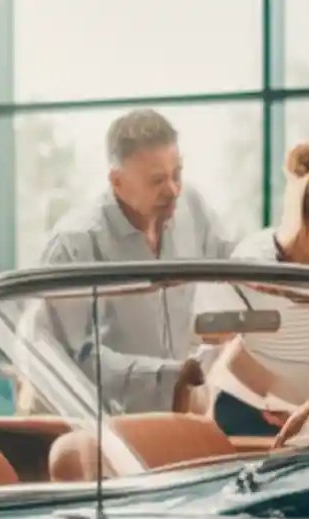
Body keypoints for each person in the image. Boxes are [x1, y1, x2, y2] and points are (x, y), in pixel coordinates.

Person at [36, 108, 236, 413]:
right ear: (117, 182)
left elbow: (233, 266)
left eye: (177, 174)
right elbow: (72, 358)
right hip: (106, 433)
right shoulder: (74, 245)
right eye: (157, 180)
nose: (172, 189)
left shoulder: (192, 207)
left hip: (186, 416)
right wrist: (171, 374)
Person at [195, 143, 309, 436]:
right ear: (302, 221)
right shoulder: (253, 259)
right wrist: (269, 398)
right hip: (246, 405)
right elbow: (218, 343)